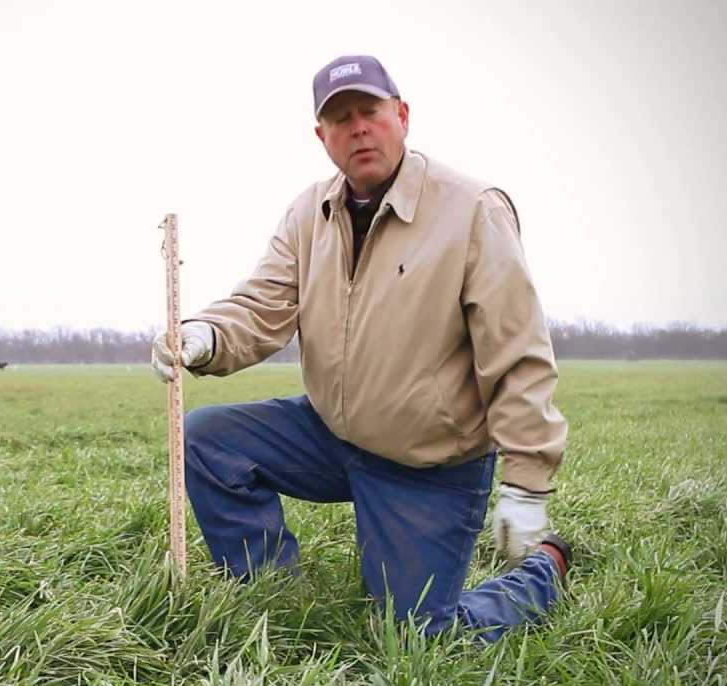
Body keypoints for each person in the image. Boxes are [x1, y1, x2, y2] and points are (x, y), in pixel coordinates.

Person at [151, 55, 570, 641]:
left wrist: (526, 484)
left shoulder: (473, 211)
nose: (358, 128)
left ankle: (543, 570)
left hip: (426, 463)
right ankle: (272, 590)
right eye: (339, 119)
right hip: (331, 433)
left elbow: (518, 355)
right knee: (208, 439)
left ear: (401, 115)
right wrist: (207, 335)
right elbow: (263, 306)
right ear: (322, 136)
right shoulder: (309, 213)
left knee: (420, 636)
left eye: (370, 111)